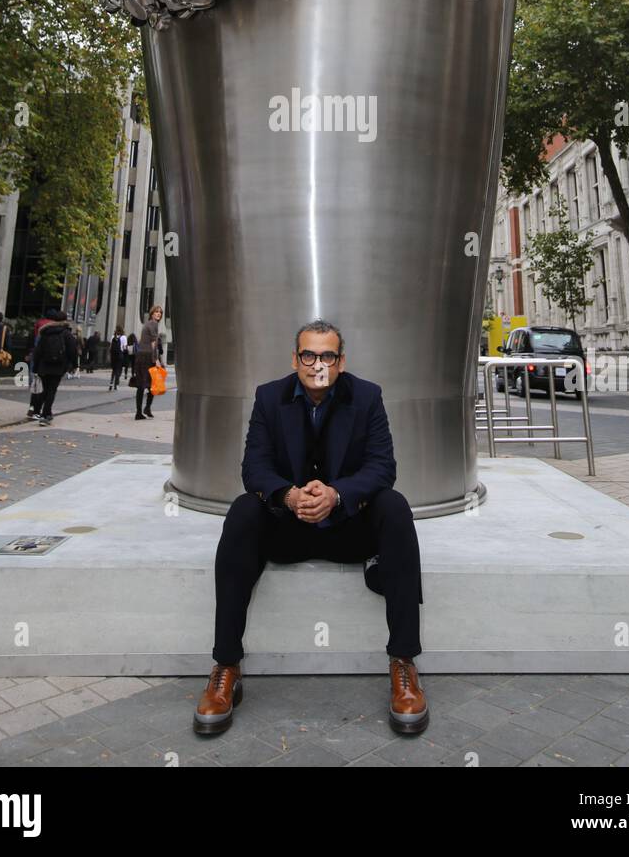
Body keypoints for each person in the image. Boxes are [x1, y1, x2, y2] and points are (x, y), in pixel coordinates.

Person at [193, 318, 427, 739]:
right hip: (289, 527)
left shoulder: (368, 396)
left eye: (327, 356)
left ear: (341, 361)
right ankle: (226, 666)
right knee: (244, 511)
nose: (317, 363)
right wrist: (287, 496)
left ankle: (403, 663)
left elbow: (383, 467)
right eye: (309, 355)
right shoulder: (269, 397)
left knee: (395, 507)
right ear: (296, 359)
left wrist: (336, 494)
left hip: (348, 527)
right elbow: (254, 468)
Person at [30, 310, 77, 426]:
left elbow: (38, 351)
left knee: (44, 389)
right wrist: (74, 365)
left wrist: (35, 367)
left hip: (44, 364)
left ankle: (39, 411)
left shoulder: (45, 332)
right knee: (52, 390)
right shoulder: (66, 333)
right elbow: (72, 351)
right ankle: (46, 415)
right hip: (59, 366)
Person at [133, 305, 164, 420]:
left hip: (141, 356)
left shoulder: (147, 324)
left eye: (160, 312)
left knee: (143, 385)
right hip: (147, 357)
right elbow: (153, 344)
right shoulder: (153, 324)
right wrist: (156, 360)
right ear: (152, 313)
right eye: (156, 312)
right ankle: (145, 409)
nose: (158, 314)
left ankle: (140, 411)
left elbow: (144, 341)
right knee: (153, 384)